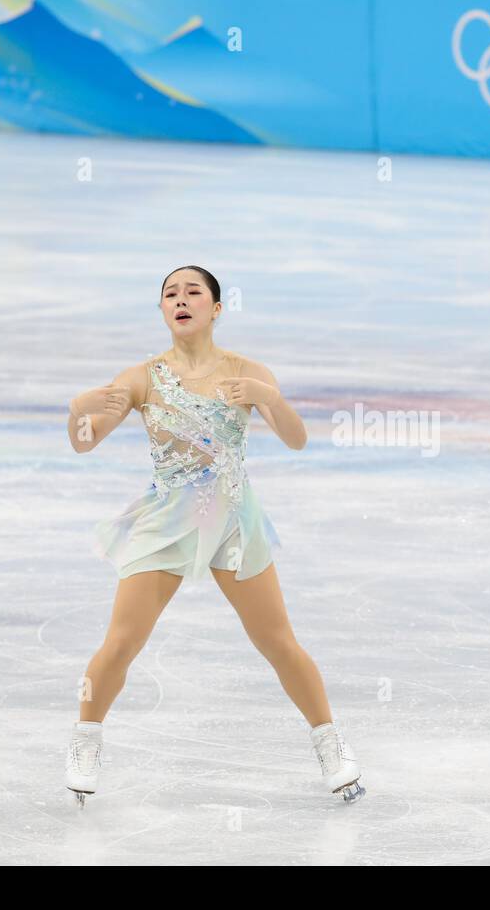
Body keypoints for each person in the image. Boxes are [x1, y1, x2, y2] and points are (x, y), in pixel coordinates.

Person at [63, 265, 364, 806]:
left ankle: (330, 743)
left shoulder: (246, 371)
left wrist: (267, 397)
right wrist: (77, 409)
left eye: (193, 292)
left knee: (276, 641)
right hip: (165, 522)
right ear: (162, 310)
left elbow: (296, 440)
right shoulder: (141, 378)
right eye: (170, 294)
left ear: (216, 308)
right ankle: (86, 741)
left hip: (230, 519)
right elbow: (84, 443)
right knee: (123, 642)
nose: (181, 300)